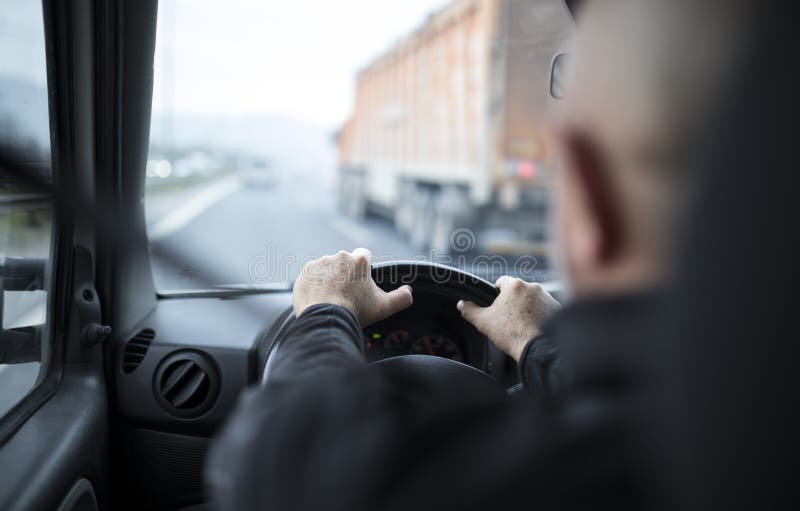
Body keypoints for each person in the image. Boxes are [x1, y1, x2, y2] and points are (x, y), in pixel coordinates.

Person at [206, 1, 757, 509]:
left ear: (587, 197)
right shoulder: (740, 419)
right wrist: (539, 345)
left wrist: (327, 313)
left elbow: (286, 463)